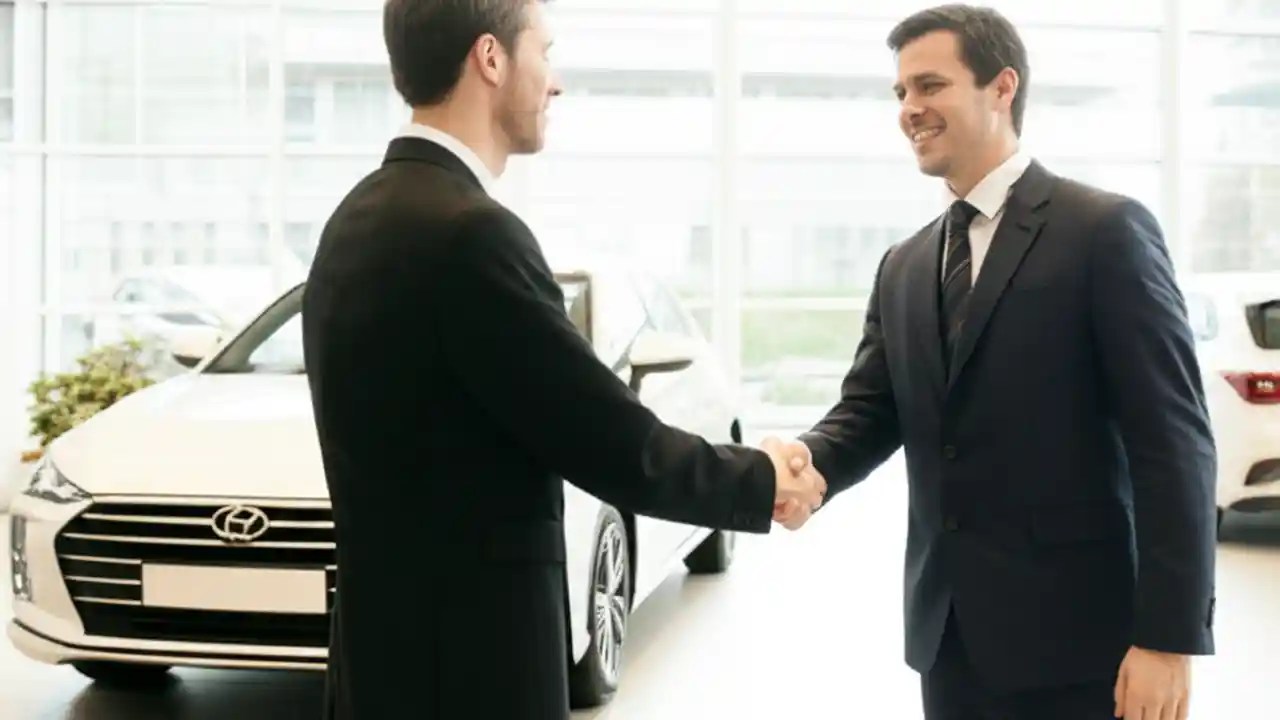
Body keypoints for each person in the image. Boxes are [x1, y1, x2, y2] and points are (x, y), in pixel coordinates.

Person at [300, 1, 823, 718]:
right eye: (544, 51)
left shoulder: (357, 217)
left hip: (380, 664)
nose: (555, 81)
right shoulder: (472, 235)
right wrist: (761, 479)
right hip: (470, 673)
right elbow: (611, 441)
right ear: (490, 58)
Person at [772, 5, 1217, 719]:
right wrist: (805, 463)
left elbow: (1174, 442)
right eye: (901, 92)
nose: (909, 109)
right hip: (948, 639)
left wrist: (1168, 638)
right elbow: (871, 411)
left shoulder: (1104, 231)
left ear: (1002, 87)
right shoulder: (905, 264)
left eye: (930, 86)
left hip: (1084, 644)